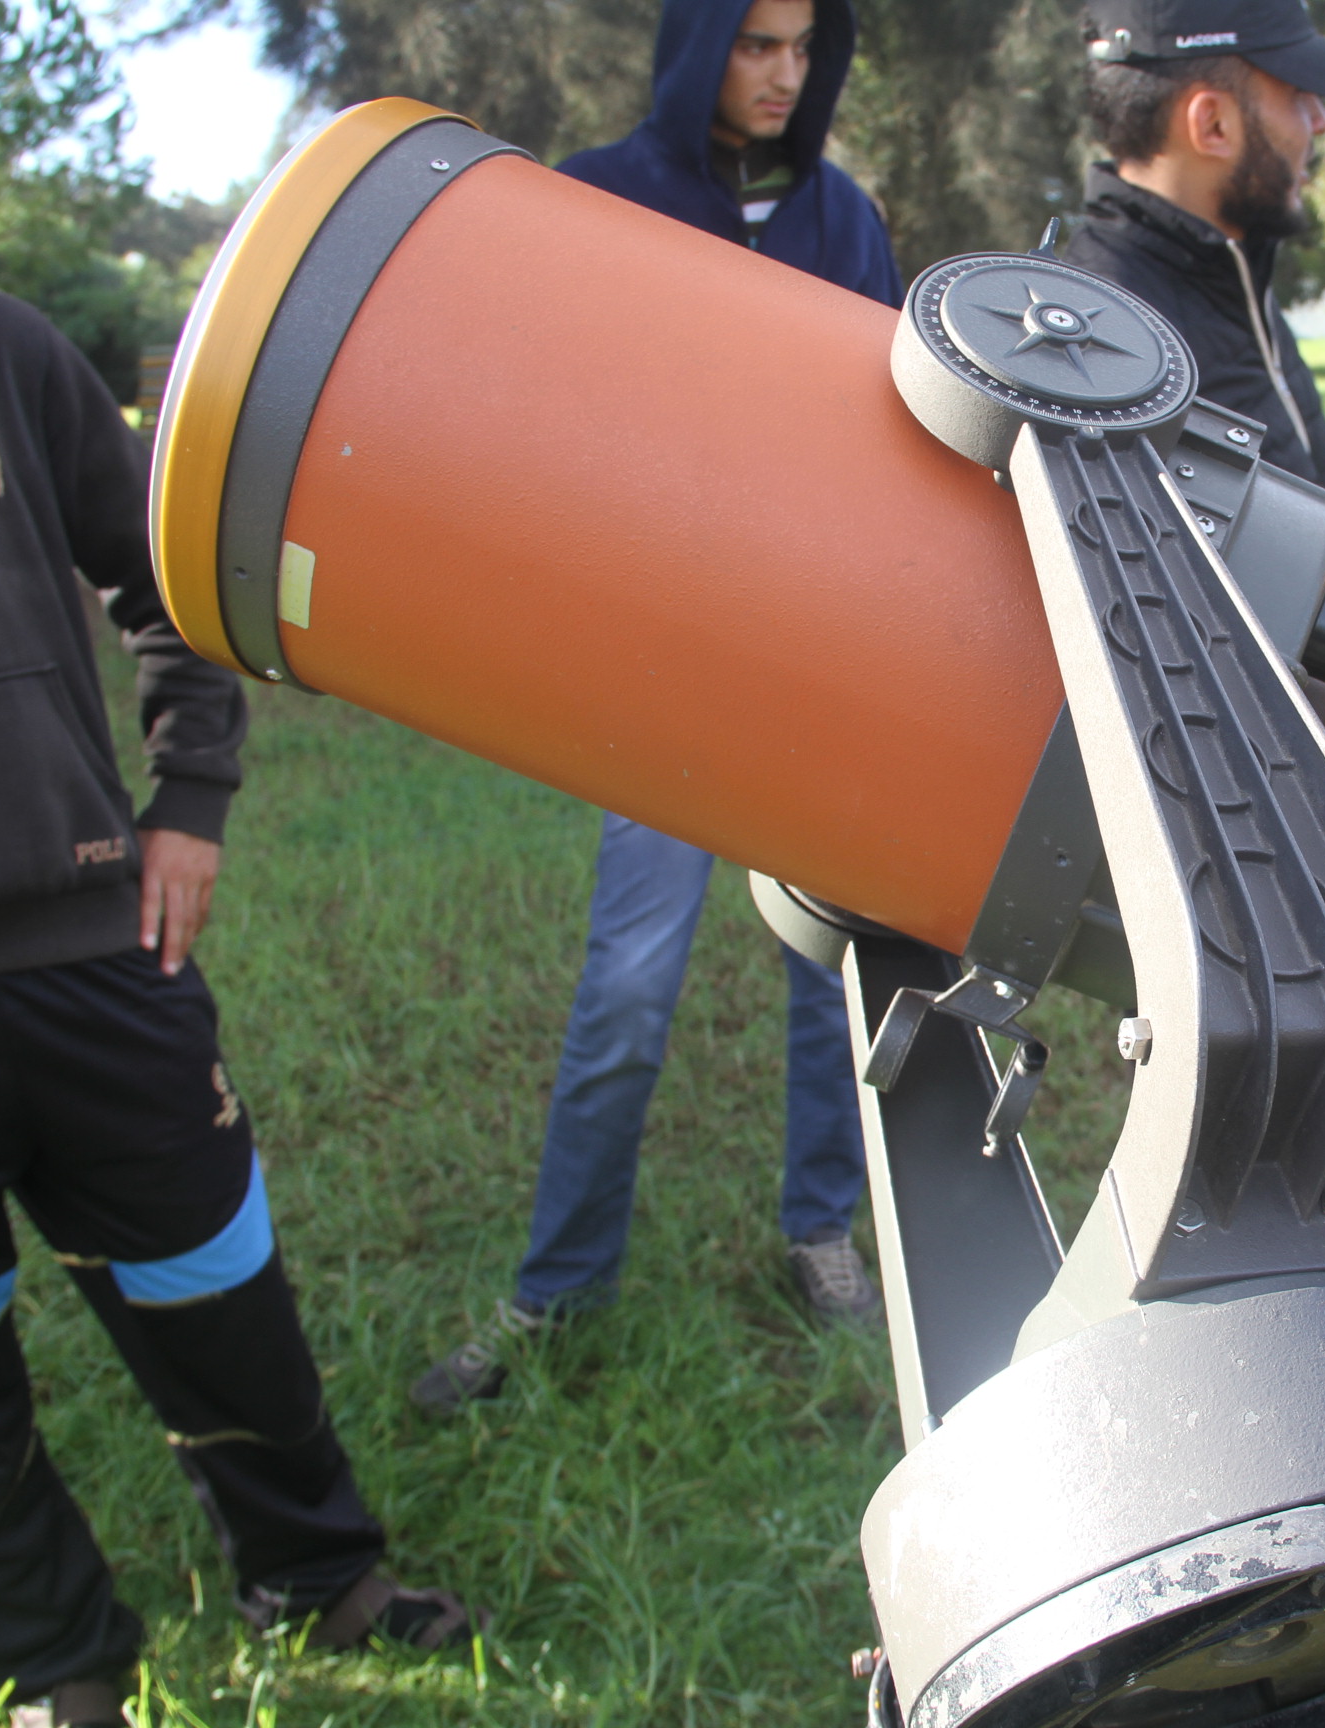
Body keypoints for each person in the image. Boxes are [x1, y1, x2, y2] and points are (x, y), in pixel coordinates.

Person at [0, 281, 470, 1728]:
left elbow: (164, 567)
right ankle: (58, 1664)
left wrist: (188, 791)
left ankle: (321, 1580)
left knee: (218, 1297)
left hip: (85, 954)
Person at [411, 0, 899, 1416]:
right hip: (659, 673)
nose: (783, 74)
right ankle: (560, 1287)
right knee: (628, 987)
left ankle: (822, 1233)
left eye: (803, 48)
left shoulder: (843, 215)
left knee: (830, 980)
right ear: (699, 46)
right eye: (755, 44)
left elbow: (881, 421)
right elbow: (520, 409)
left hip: (812, 665)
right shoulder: (599, 197)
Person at [1064, 0, 1325, 496]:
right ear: (1213, 124)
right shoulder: (1104, 341)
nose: (1321, 121)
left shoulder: (1232, 272)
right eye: (1299, 94)